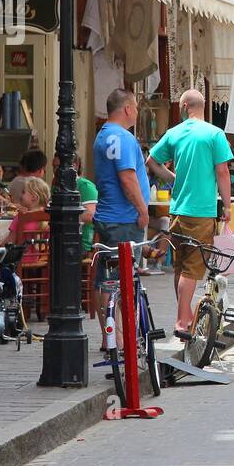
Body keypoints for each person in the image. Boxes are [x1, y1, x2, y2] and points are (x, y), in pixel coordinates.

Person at [146, 88, 233, 340]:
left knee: (181, 267)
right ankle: (183, 322)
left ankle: (183, 314)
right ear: (202, 106)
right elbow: (223, 172)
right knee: (192, 269)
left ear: (184, 106)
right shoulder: (214, 134)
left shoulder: (174, 133)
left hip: (176, 212)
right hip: (201, 212)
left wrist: (174, 179)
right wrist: (227, 206)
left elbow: (151, 161)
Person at [92, 89, 152, 343]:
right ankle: (120, 338)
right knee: (123, 281)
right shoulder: (124, 138)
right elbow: (127, 178)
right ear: (127, 108)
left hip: (107, 216)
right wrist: (143, 210)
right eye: (136, 107)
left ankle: (109, 337)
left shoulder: (102, 136)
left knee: (105, 280)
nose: (137, 112)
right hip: (125, 219)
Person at [52, 154, 98, 255]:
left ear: (75, 165)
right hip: (58, 240)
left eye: (58, 166)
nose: (55, 171)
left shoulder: (85, 186)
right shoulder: (56, 186)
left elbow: (91, 215)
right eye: (54, 167)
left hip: (80, 243)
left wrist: (62, 217)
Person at [0, 177, 51, 258]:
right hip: (42, 262)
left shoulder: (21, 217)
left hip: (22, 260)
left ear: (34, 197)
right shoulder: (49, 218)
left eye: (23, 192)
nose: (21, 195)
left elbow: (7, 244)